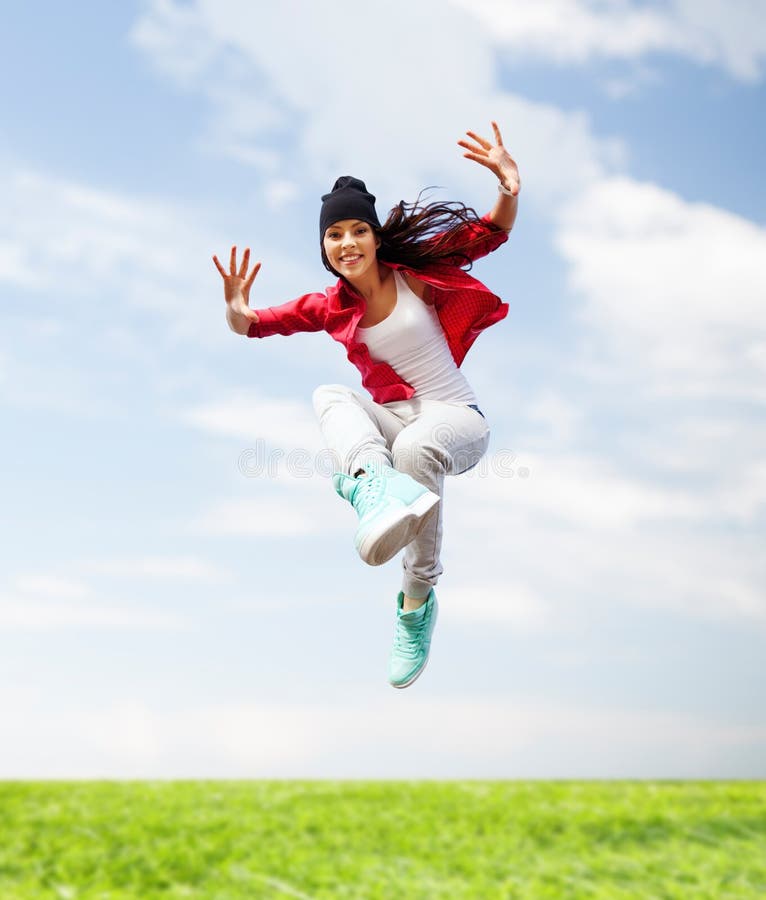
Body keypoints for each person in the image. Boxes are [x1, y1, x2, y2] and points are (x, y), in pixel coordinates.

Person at [213, 121, 520, 689]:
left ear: (376, 239)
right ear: (325, 249)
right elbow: (252, 325)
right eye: (334, 235)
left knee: (418, 444)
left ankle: (415, 605)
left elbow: (492, 231)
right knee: (330, 394)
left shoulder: (418, 275)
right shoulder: (329, 306)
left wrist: (507, 184)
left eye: (358, 230)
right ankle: (370, 485)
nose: (347, 242)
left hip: (456, 421)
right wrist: (235, 308)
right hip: (397, 421)